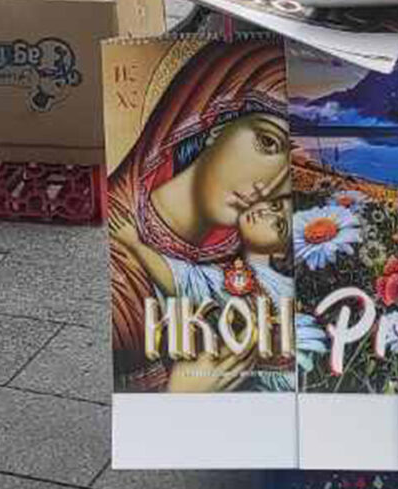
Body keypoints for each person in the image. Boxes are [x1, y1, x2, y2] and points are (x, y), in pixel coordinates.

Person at [105, 39, 294, 393]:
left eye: (289, 175)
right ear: (215, 122)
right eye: (268, 143)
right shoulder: (121, 257)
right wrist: (182, 394)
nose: (269, 187)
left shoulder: (246, 260)